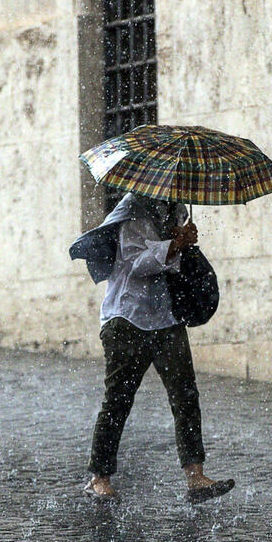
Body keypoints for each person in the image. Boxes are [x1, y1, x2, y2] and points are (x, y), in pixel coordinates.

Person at [68, 192, 235, 504]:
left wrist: (181, 240)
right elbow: (136, 264)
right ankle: (99, 478)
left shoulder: (175, 210)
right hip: (127, 319)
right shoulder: (132, 209)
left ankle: (195, 476)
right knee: (118, 400)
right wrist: (174, 244)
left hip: (166, 317)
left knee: (185, 396)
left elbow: (172, 266)